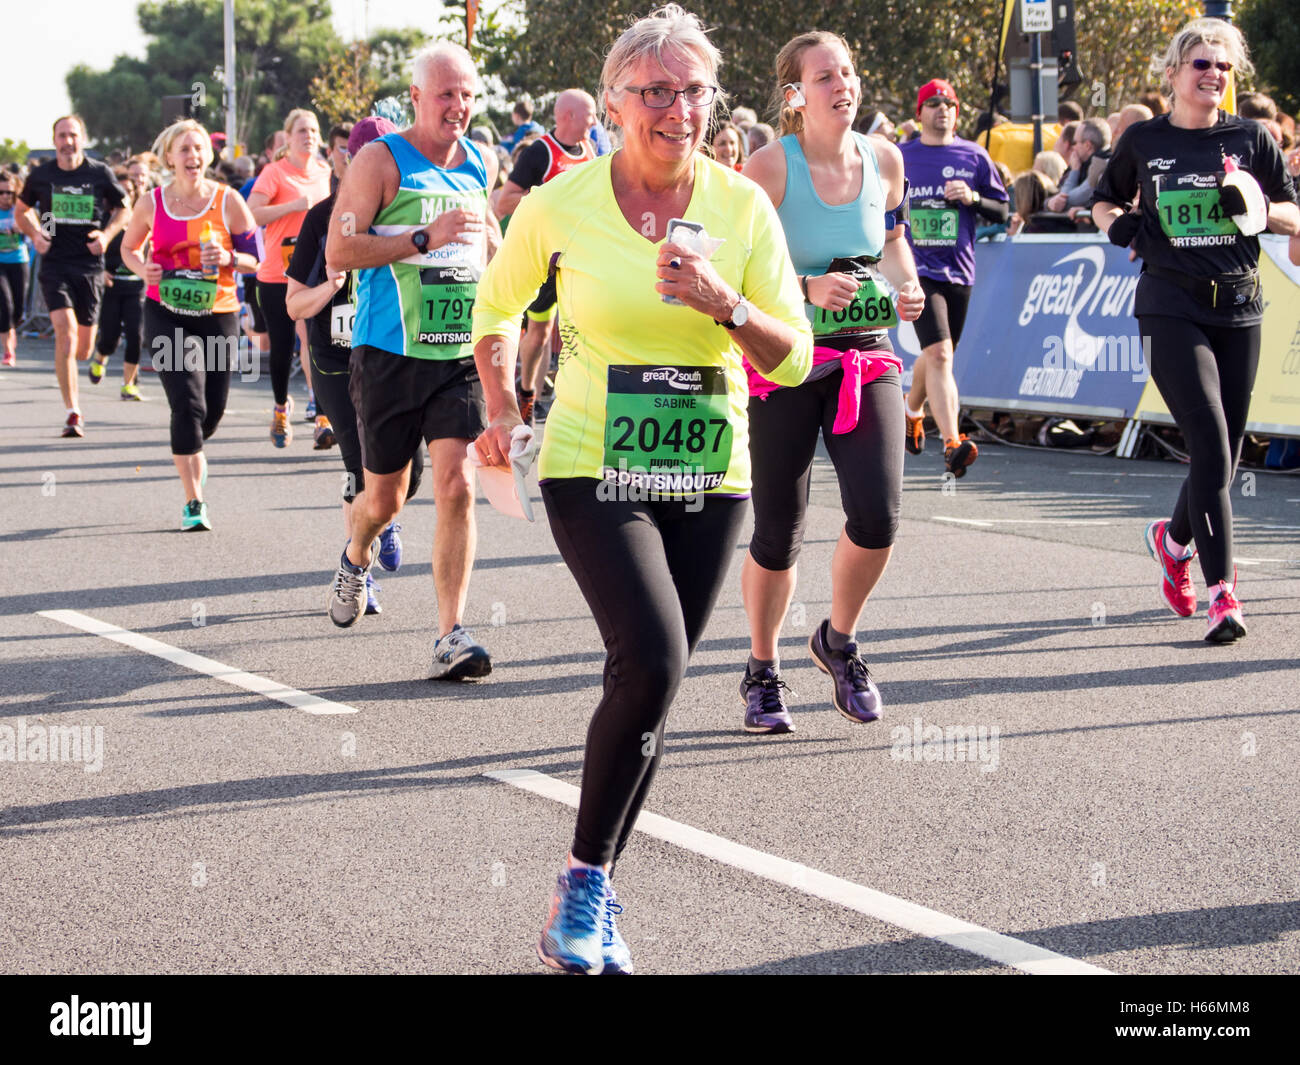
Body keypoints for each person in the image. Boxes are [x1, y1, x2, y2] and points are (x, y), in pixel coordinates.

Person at [471, 3, 812, 975]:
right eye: (654, 92)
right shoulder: (559, 206)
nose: (676, 108)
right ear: (617, 103)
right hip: (593, 462)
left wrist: (725, 304)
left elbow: (792, 361)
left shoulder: (742, 207)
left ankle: (593, 891)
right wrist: (498, 392)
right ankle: (585, 885)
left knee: (649, 692)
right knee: (654, 660)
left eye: (691, 90)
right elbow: (498, 308)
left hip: (709, 473)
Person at [739, 30, 924, 734]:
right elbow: (739, 270)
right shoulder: (769, 168)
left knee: (877, 517)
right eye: (824, 76)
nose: (842, 84)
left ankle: (838, 641)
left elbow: (895, 243)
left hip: (866, 354)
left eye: (847, 72)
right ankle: (762, 667)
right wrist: (806, 284)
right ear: (795, 95)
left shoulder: (885, 159)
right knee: (778, 531)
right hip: (784, 356)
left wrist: (906, 290)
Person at [1092, 18, 1299, 643]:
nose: (1213, 75)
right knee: (1209, 443)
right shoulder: (1144, 140)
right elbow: (1104, 199)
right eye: (1202, 64)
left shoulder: (1252, 139)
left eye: (1223, 67)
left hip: (1240, 306)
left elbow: (1292, 212)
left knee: (1225, 456)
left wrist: (1260, 210)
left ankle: (1172, 540)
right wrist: (1116, 227)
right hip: (1168, 306)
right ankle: (1223, 594)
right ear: (1175, 74)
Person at [324, 41, 501, 681]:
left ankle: (450, 634)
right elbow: (340, 253)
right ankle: (355, 551)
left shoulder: (481, 161)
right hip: (389, 353)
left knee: (460, 484)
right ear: (418, 98)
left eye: (467, 95)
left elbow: (490, 248)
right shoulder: (381, 159)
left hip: (458, 355)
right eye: (446, 94)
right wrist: (422, 238)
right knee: (386, 500)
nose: (458, 106)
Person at [287, 116, 426, 616]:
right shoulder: (321, 218)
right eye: (362, 158)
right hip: (336, 362)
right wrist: (332, 283)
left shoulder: (411, 219)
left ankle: (385, 518)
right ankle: (359, 574)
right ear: (345, 160)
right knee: (359, 471)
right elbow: (294, 306)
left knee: (408, 479)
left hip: (393, 359)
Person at [119, 119, 260, 530]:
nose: (193, 156)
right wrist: (143, 267)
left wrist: (230, 259)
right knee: (187, 404)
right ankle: (194, 502)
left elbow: (257, 258)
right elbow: (128, 248)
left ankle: (194, 443)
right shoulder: (151, 203)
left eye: (199, 148)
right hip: (167, 313)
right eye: (184, 149)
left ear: (208, 155)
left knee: (210, 413)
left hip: (218, 313)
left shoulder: (228, 200)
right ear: (169, 158)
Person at [899, 79, 1008, 475]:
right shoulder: (901, 155)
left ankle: (912, 410)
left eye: (948, 104)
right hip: (916, 268)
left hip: (959, 269)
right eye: (932, 103)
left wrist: (973, 198)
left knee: (938, 354)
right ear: (919, 113)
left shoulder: (974, 156)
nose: (941, 109)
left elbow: (1002, 212)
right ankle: (952, 443)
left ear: (956, 113)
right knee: (941, 353)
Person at [16, 115, 129, 436]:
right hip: (55, 264)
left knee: (83, 348)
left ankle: (87, 363)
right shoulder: (41, 175)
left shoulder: (99, 173)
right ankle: (73, 412)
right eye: (62, 136)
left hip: (89, 266)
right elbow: (21, 211)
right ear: (54, 141)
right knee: (64, 334)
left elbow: (124, 208)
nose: (68, 141)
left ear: (82, 138)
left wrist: (106, 237)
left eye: (73, 135)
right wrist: (37, 235)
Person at [493, 88, 599, 424]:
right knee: (537, 333)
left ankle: (579, 402)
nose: (595, 120)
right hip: (541, 259)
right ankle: (525, 392)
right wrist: (546, 198)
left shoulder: (589, 150)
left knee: (583, 328)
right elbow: (504, 202)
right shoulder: (540, 152)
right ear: (568, 116)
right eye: (590, 114)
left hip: (577, 259)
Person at [247, 108, 332, 447]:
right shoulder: (274, 172)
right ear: (288, 137)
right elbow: (252, 213)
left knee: (316, 344)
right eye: (301, 130)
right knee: (282, 349)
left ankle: (323, 418)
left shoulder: (325, 172)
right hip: (277, 275)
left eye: (312, 130)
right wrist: (294, 205)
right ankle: (281, 408)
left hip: (315, 274)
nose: (308, 135)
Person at [89, 172, 149, 398]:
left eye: (129, 192)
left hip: (136, 288)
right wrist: (101, 271)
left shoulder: (143, 218)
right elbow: (92, 250)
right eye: (119, 192)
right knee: (110, 338)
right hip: (112, 288)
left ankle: (128, 384)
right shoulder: (104, 221)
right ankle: (100, 356)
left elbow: (153, 247)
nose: (124, 196)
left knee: (135, 335)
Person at [0, 172, 31, 367]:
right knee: (5, 305)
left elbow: (46, 226)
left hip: (19, 260)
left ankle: (12, 331)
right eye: (1, 192)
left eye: (9, 192)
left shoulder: (21, 210)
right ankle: (8, 350)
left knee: (18, 310)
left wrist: (24, 229)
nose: (5, 196)